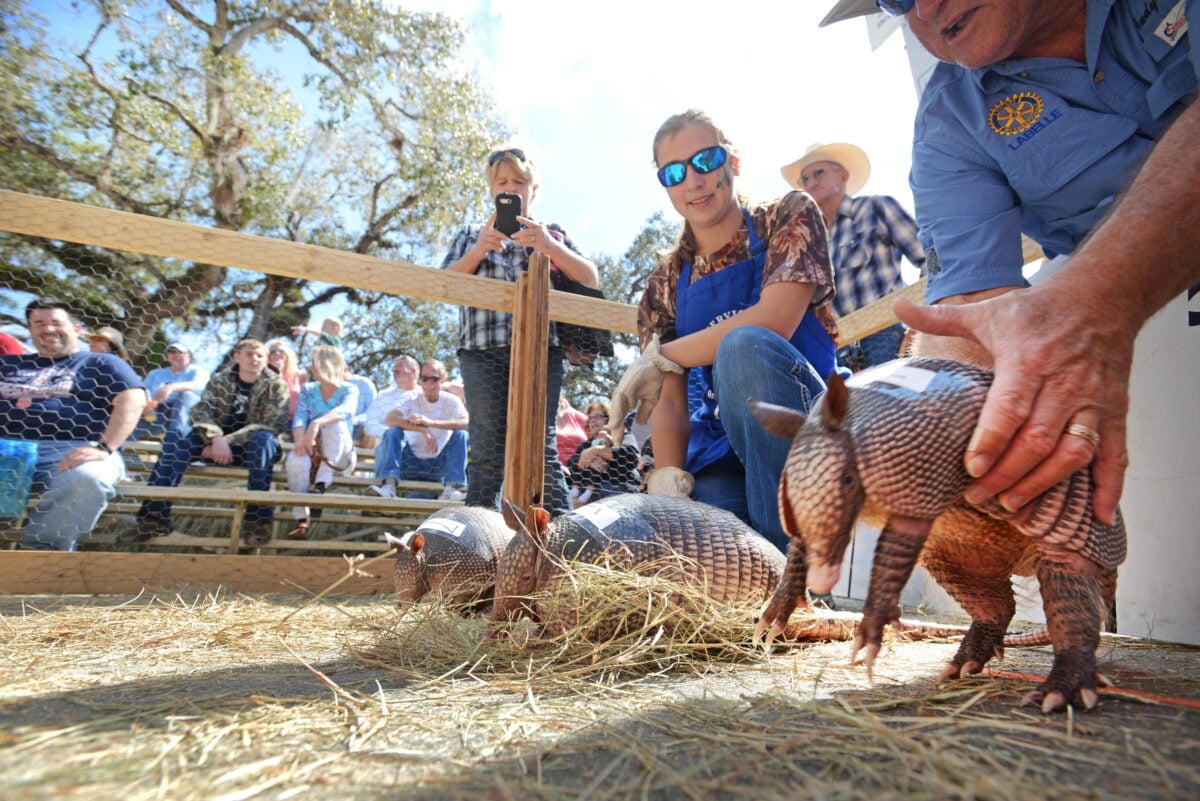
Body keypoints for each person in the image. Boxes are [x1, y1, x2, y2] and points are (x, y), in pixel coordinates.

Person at [855, 0, 1199, 525]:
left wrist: (1098, 300)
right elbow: (972, 313)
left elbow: (1080, 309)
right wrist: (933, 442)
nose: (923, 7)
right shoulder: (950, 123)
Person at [608, 109, 838, 556]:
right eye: (673, 172)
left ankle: (798, 585)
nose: (693, 180)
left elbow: (774, 319)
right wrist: (669, 487)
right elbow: (670, 399)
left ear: (733, 162)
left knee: (743, 346)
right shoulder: (664, 284)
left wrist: (661, 354)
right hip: (718, 449)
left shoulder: (787, 215)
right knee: (716, 553)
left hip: (809, 428)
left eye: (706, 160)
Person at [441, 145, 600, 514]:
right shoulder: (470, 234)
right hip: (482, 351)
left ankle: (561, 538)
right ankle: (480, 536)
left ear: (534, 190)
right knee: (487, 447)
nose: (510, 188)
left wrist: (546, 245)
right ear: (491, 190)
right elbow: (444, 285)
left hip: (541, 352)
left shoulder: (553, 234)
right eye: (502, 182)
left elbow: (590, 277)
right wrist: (480, 249)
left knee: (539, 445)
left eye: (519, 181)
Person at [0, 297, 147, 550]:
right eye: (38, 323)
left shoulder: (101, 363)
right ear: (30, 330)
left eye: (56, 322)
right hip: (7, 447)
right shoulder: (8, 364)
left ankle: (43, 558)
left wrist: (104, 447)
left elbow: (133, 398)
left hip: (73, 448)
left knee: (86, 479)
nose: (47, 329)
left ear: (76, 329)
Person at [132, 338, 289, 546]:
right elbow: (202, 411)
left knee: (265, 440)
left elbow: (272, 423)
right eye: (249, 354)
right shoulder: (219, 380)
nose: (254, 359)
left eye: (260, 355)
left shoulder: (276, 386)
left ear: (266, 359)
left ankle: (257, 522)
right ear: (237, 357)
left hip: (248, 450)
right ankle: (153, 518)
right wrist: (213, 438)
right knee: (176, 437)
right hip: (211, 445)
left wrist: (228, 440)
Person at [781, 141, 925, 371]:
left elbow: (930, 258)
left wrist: (921, 324)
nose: (811, 183)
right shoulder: (811, 244)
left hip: (889, 336)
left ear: (843, 176)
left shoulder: (875, 208)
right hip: (839, 355)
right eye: (804, 179)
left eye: (818, 173)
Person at [283, 346, 359, 540]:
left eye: (315, 363)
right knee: (294, 459)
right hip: (314, 452)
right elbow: (299, 418)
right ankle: (302, 519)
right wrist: (300, 441)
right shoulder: (308, 389)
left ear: (327, 365)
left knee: (336, 424)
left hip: (340, 459)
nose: (311, 367)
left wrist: (316, 423)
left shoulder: (349, 389)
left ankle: (321, 485)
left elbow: (346, 411)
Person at [374, 359, 469, 502]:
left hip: (439, 467)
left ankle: (451, 490)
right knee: (392, 432)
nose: (429, 384)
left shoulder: (451, 400)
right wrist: (424, 430)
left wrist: (432, 423)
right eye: (424, 379)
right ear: (420, 381)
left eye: (434, 379)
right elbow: (390, 420)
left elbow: (467, 423)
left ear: (443, 380)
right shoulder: (411, 397)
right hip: (410, 464)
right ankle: (389, 487)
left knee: (462, 434)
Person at [566, 400, 641, 507]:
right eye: (590, 418)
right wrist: (590, 461)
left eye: (598, 416)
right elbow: (571, 464)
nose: (592, 421)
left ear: (609, 419)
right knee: (573, 501)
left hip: (617, 489)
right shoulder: (585, 445)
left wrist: (595, 451)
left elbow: (631, 456)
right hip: (587, 493)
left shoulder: (624, 437)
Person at [364, 354, 420, 493]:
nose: (394, 371)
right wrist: (393, 435)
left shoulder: (425, 395)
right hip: (388, 450)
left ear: (414, 372)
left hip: (417, 453)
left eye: (399, 368)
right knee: (392, 435)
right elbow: (369, 426)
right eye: (394, 369)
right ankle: (384, 492)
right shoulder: (384, 396)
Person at [138, 342, 209, 442]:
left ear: (189, 356)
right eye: (172, 352)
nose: (176, 355)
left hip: (186, 414)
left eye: (181, 352)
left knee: (186, 396)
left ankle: (176, 444)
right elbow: (144, 391)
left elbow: (198, 385)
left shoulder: (198, 371)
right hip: (155, 413)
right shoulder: (156, 373)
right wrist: (148, 407)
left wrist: (170, 387)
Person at [266, 340, 303, 420]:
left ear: (287, 355)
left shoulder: (299, 375)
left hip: (295, 420)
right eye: (273, 352)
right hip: (272, 420)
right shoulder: (265, 375)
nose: (277, 353)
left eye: (281, 351)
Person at [343, 366, 377, 446]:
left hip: (359, 427)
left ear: (345, 369)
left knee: (371, 428)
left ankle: (362, 458)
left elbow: (373, 412)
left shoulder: (365, 384)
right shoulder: (328, 385)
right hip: (338, 426)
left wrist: (356, 420)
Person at [555, 393, 589, 467]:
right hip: (552, 467)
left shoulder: (576, 416)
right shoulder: (540, 420)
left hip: (578, 468)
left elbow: (597, 431)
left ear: (560, 400)